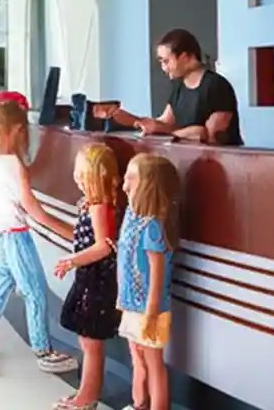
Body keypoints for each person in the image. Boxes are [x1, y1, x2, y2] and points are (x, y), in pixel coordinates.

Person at [0, 100, 79, 377]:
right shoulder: (13, 163)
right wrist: (72, 233)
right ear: (17, 129)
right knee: (34, 290)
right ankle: (43, 350)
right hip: (14, 234)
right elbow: (33, 209)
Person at [52, 143, 123, 410]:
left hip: (97, 279)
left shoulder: (99, 207)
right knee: (86, 339)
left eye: (82, 175)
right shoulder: (93, 205)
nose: (77, 179)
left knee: (91, 342)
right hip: (90, 277)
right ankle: (85, 392)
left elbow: (103, 246)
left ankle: (88, 397)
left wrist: (71, 261)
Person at [95, 28, 243, 146]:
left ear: (185, 57)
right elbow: (165, 122)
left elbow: (209, 137)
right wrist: (131, 119)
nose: (163, 68)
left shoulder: (216, 86)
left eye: (166, 61)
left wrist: (171, 133)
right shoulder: (178, 86)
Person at [117, 153, 180, 410]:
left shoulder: (152, 227)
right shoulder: (132, 217)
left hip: (149, 309)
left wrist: (151, 312)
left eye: (131, 179)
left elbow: (157, 273)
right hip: (132, 305)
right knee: (137, 358)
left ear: (149, 186)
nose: (125, 186)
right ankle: (139, 404)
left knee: (153, 362)